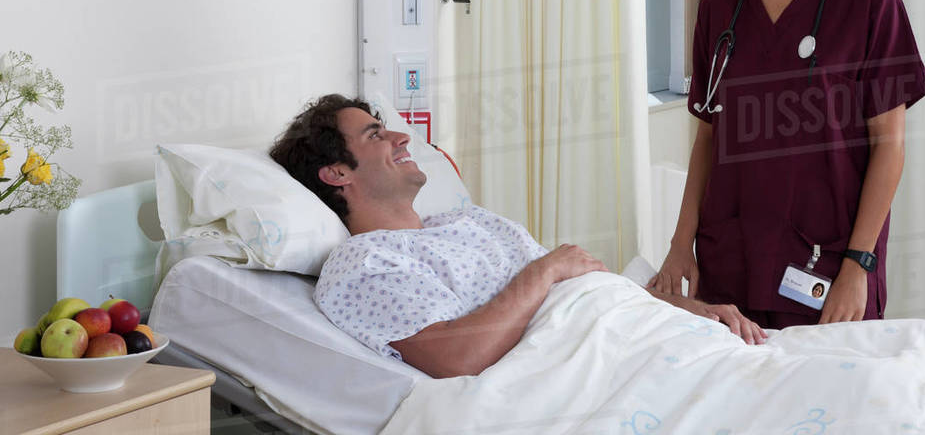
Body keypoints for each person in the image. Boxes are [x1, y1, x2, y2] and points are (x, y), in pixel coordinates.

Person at [649, 0, 925, 329]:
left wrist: (858, 264)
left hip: (825, 262)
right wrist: (679, 246)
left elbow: (889, 144)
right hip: (730, 258)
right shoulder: (720, 6)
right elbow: (709, 136)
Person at [269, 94, 766, 379]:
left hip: (646, 334)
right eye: (376, 135)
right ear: (336, 174)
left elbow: (585, 288)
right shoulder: (362, 264)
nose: (402, 138)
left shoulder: (467, 222)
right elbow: (454, 357)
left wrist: (692, 311)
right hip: (595, 369)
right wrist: (545, 269)